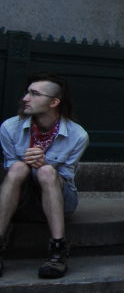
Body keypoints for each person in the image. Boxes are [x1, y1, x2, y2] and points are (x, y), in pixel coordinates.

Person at [0, 73, 88, 279]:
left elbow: (65, 176)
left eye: (34, 94)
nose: (25, 98)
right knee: (17, 168)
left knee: (47, 171)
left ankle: (58, 250)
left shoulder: (78, 135)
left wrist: (44, 164)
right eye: (27, 92)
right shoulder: (9, 127)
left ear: (54, 102)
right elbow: (11, 171)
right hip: (20, 200)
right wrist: (27, 163)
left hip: (59, 200)